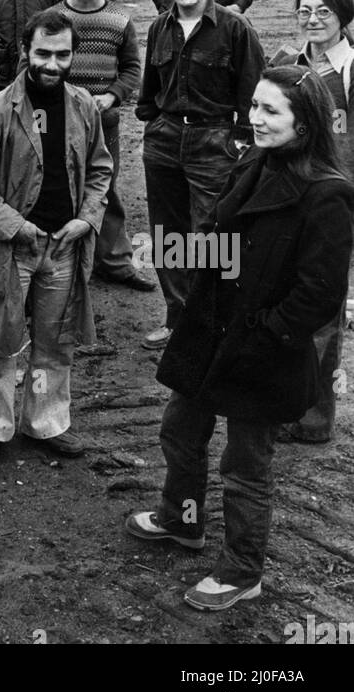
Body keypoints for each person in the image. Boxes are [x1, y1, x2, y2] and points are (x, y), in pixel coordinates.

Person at [126, 67, 354, 611]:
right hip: (209, 333)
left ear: (306, 124)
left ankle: (241, 570)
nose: (254, 118)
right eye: (253, 106)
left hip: (262, 352)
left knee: (245, 466)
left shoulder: (329, 194)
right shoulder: (252, 161)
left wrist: (266, 333)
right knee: (180, 430)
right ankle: (181, 522)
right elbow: (222, 240)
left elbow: (319, 296)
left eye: (271, 111)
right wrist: (183, 270)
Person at [0, 8, 113, 477]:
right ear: (26, 51)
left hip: (64, 247)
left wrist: (87, 220)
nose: (52, 63)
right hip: (11, 248)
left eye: (62, 54)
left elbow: (101, 170)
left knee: (55, 340)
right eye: (43, 52)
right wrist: (17, 226)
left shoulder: (83, 104)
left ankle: (45, 423)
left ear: (72, 56)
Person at [137, 0, 265, 350]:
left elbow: (253, 91)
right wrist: (155, 123)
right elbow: (148, 92)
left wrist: (241, 140)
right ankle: (178, 321)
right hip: (164, 141)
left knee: (210, 237)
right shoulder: (160, 27)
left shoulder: (233, 27)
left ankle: (207, 327)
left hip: (214, 141)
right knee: (168, 235)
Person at [269, 0, 354, 443]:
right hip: (289, 196)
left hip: (336, 202)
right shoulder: (287, 61)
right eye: (305, 10)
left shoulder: (352, 68)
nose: (313, 20)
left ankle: (315, 418)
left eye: (324, 11)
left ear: (343, 16)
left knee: (324, 309)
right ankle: (287, 403)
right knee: (287, 300)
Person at [54, 0, 152, 291]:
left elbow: (131, 70)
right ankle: (61, 265)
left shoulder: (120, 20)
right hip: (59, 123)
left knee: (104, 191)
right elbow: (35, 66)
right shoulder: (54, 19)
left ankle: (114, 263)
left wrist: (112, 96)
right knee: (59, 191)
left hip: (103, 124)